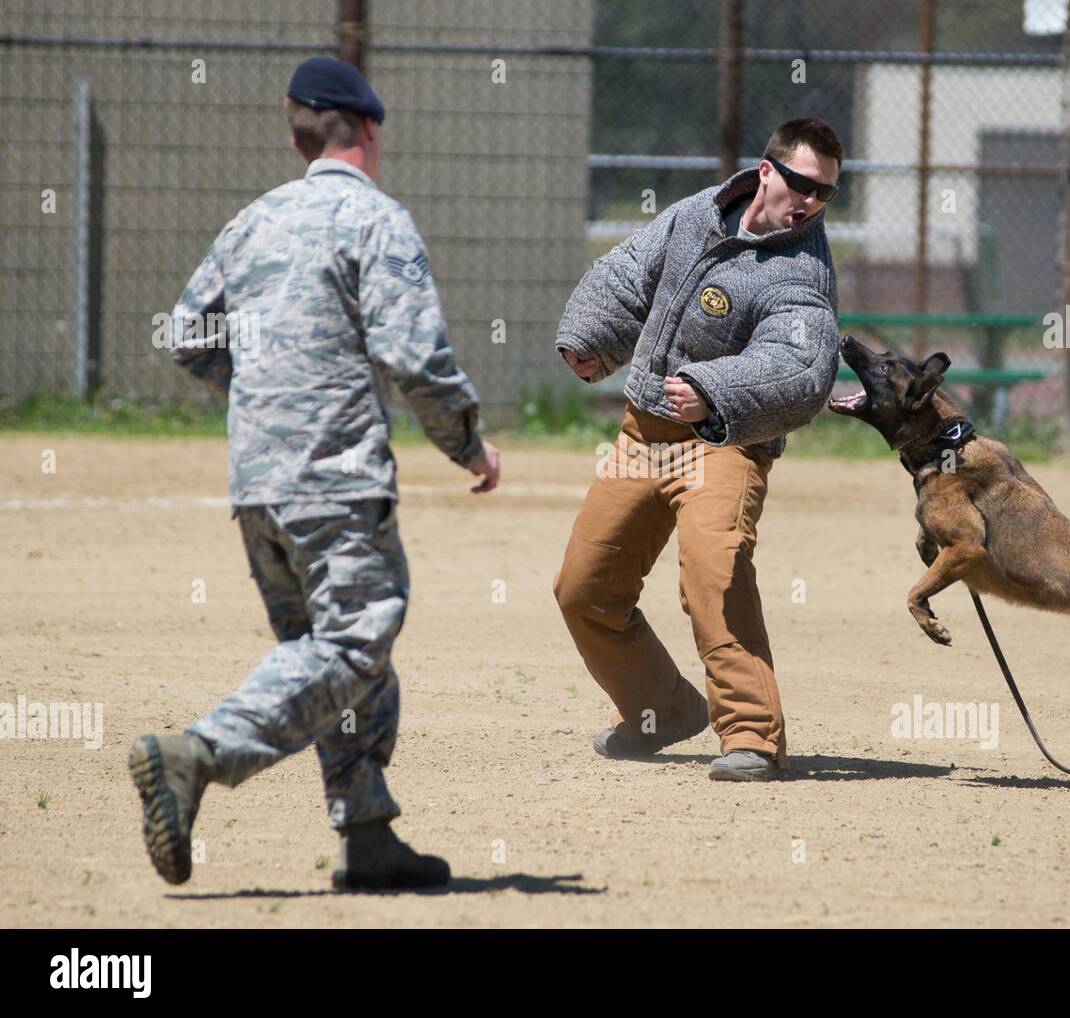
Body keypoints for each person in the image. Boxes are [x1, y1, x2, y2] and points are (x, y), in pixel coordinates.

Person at [129, 56, 500, 889]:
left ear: (298, 135)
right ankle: (197, 755)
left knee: (322, 649)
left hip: (257, 481)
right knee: (355, 641)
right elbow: (415, 355)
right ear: (367, 129)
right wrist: (469, 445)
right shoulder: (376, 219)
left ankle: (367, 833)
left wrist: (264, 391)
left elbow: (187, 333)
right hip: (335, 475)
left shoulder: (253, 220)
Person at [552, 116, 843, 781]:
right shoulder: (697, 214)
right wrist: (592, 338)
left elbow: (798, 366)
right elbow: (632, 271)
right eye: (800, 182)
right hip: (644, 430)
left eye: (825, 192)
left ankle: (751, 736)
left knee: (714, 572)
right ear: (766, 171)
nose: (809, 200)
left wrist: (712, 390)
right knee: (584, 589)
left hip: (727, 442)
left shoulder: (804, 271)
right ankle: (661, 708)